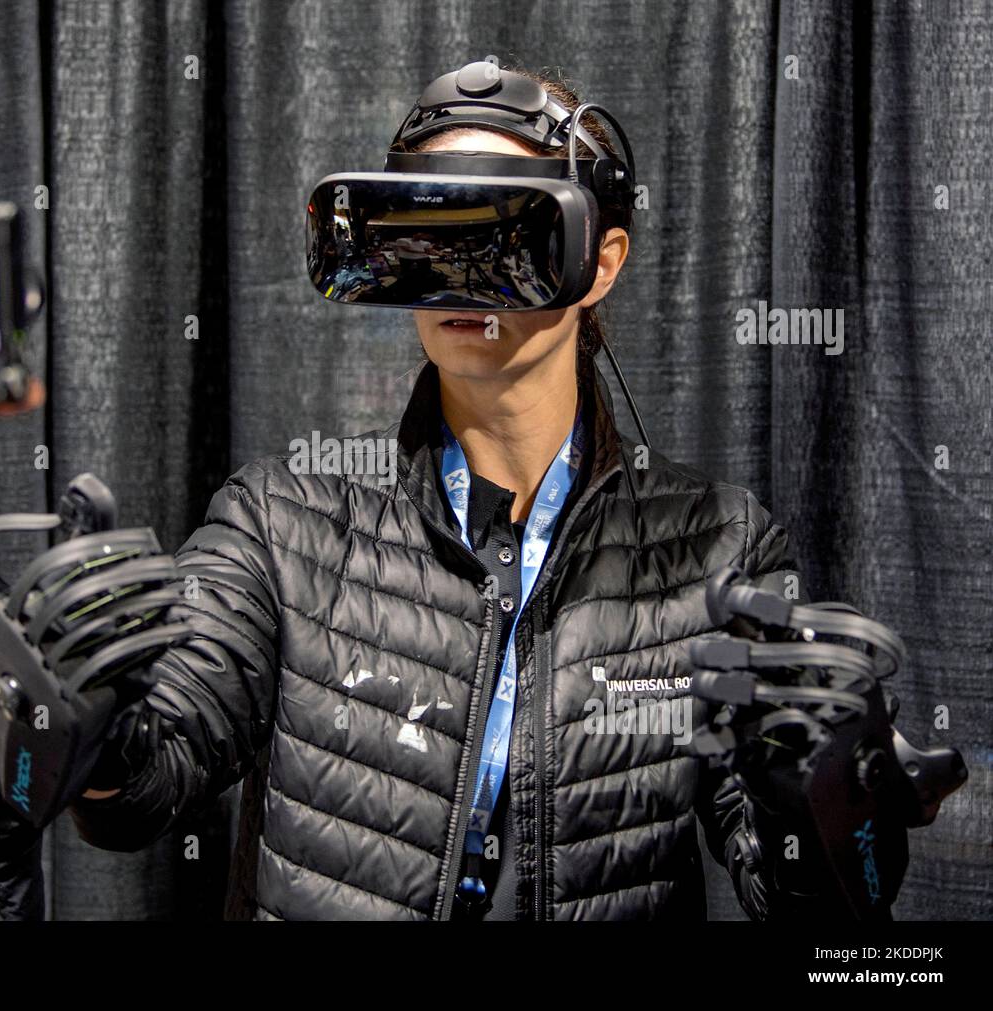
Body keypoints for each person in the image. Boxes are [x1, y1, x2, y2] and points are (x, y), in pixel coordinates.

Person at [70, 64, 814, 921]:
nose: (458, 276)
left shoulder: (721, 548)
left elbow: (792, 892)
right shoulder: (280, 523)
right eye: (428, 233)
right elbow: (146, 782)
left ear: (600, 262)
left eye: (501, 233)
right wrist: (92, 722)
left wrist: (830, 808)